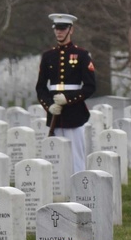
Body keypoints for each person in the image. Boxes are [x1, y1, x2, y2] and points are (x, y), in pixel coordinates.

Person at [36, 13, 96, 174]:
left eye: (63, 28)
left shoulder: (82, 55)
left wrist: (68, 99)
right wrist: (49, 106)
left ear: (71, 30)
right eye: (56, 28)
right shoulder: (48, 56)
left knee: (76, 157)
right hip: (55, 114)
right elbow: (40, 87)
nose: (59, 32)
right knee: (56, 158)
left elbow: (90, 86)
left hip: (74, 114)